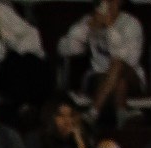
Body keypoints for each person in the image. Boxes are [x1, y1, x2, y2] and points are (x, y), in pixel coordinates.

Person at [56, 0, 143, 129]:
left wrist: (109, 28)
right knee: (119, 84)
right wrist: (86, 28)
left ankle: (93, 112)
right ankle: (122, 116)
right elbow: (64, 49)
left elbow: (129, 60)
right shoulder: (88, 21)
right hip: (98, 75)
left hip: (129, 73)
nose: (107, 4)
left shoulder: (130, 24)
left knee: (118, 66)